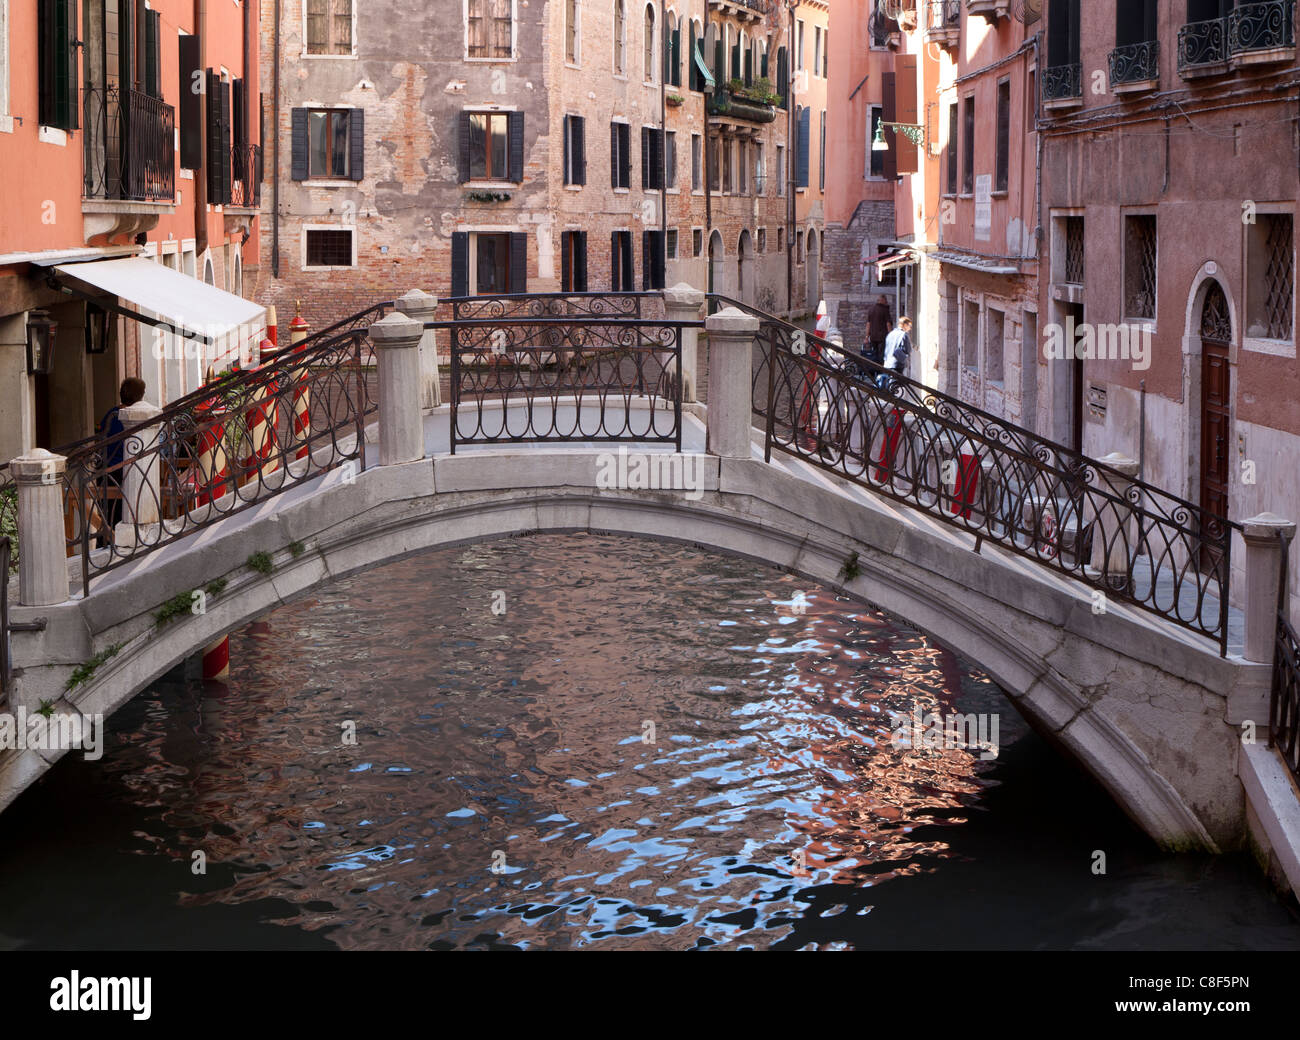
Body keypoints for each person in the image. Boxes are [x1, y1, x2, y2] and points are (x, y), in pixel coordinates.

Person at [95, 377, 147, 538]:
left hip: (104, 473)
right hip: (122, 474)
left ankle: (105, 548)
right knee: (120, 519)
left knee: (107, 517)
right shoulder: (132, 417)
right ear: (140, 396)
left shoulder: (111, 414)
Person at [878, 316, 913, 390]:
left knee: (890, 384)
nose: (910, 328)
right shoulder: (903, 334)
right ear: (905, 325)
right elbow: (908, 350)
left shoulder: (891, 334)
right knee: (896, 386)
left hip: (887, 363)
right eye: (909, 326)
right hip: (897, 363)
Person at [864, 294, 893, 367]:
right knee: (882, 355)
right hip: (883, 337)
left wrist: (867, 337)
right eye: (885, 300)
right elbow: (888, 324)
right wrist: (891, 336)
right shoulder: (885, 310)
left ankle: (875, 370)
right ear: (882, 300)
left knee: (875, 354)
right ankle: (880, 370)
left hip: (873, 336)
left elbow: (868, 324)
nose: (886, 302)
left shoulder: (871, 309)